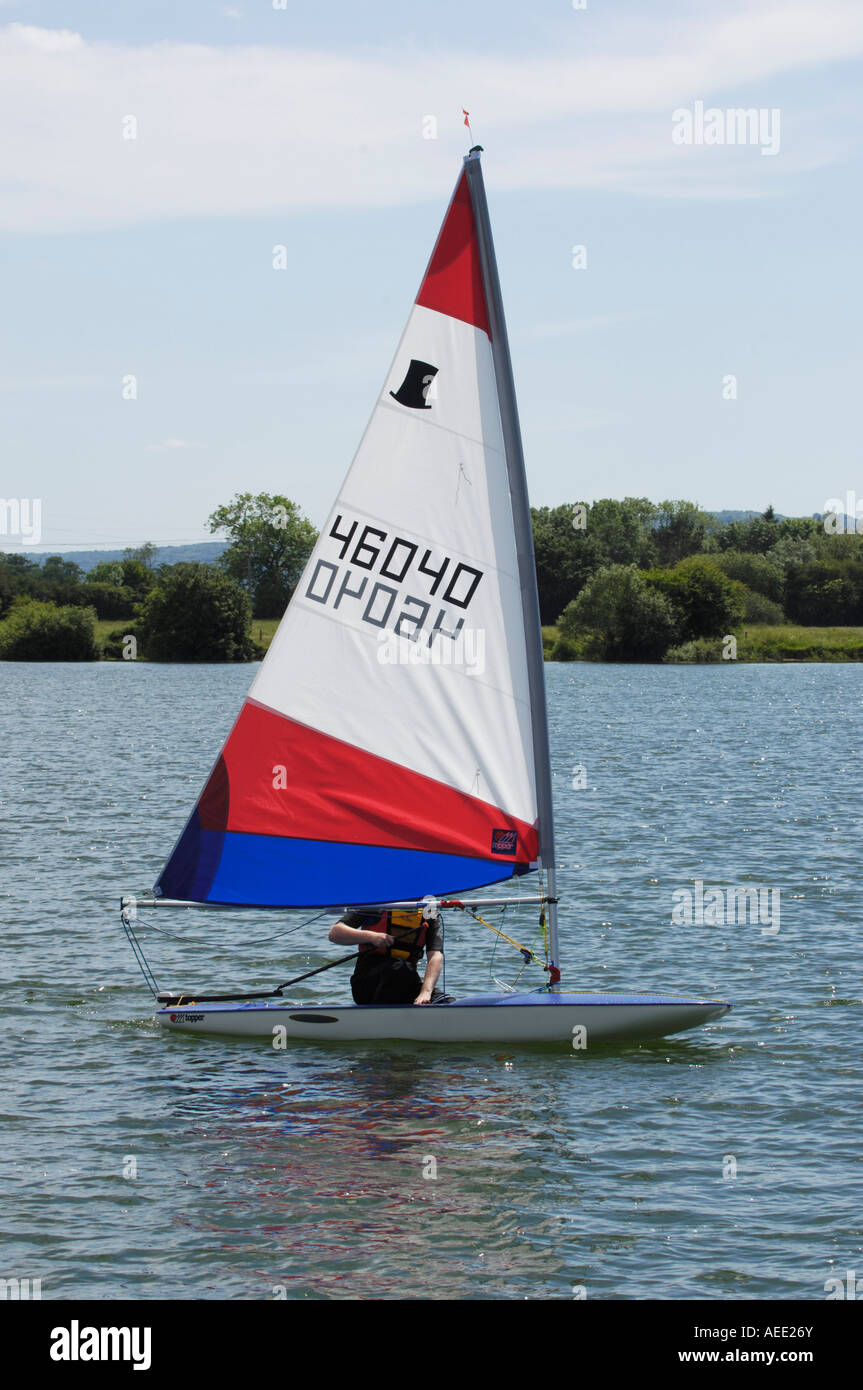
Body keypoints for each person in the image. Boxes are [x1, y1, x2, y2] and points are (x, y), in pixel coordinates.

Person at [328, 901, 444, 1006]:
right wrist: (372, 937)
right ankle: (379, 1018)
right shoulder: (378, 903)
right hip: (368, 982)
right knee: (400, 969)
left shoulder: (429, 911)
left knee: (444, 1001)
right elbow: (335, 933)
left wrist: (425, 992)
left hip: (405, 979)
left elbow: (435, 956)